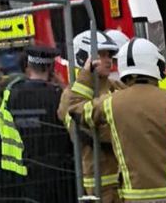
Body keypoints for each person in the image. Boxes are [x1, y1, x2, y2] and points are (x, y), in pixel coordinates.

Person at [76, 38, 166, 203]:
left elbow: (75, 110)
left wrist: (85, 76)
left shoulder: (110, 103)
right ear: (156, 65)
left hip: (134, 197)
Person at [0, 45, 76, 202]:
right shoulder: (58, 96)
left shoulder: (12, 95)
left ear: (28, 66)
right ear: (51, 69)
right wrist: (64, 87)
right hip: (61, 173)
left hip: (26, 171)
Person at [59, 29, 123, 202]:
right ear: (83, 58)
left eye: (109, 55)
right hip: (101, 182)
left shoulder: (115, 86)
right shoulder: (69, 96)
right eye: (101, 55)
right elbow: (83, 132)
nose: (108, 60)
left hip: (125, 178)